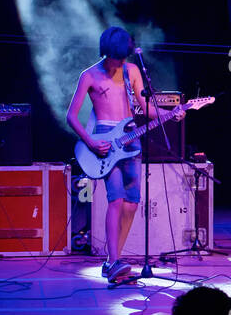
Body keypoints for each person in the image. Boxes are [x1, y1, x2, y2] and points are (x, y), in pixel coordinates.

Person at [66, 26, 182, 284]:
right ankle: (114, 261)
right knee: (116, 200)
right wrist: (91, 143)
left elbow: (146, 108)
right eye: (114, 58)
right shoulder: (89, 75)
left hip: (131, 139)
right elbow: (71, 116)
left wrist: (170, 114)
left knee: (132, 203)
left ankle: (112, 260)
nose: (118, 63)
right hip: (104, 141)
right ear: (105, 52)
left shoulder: (132, 71)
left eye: (122, 58)